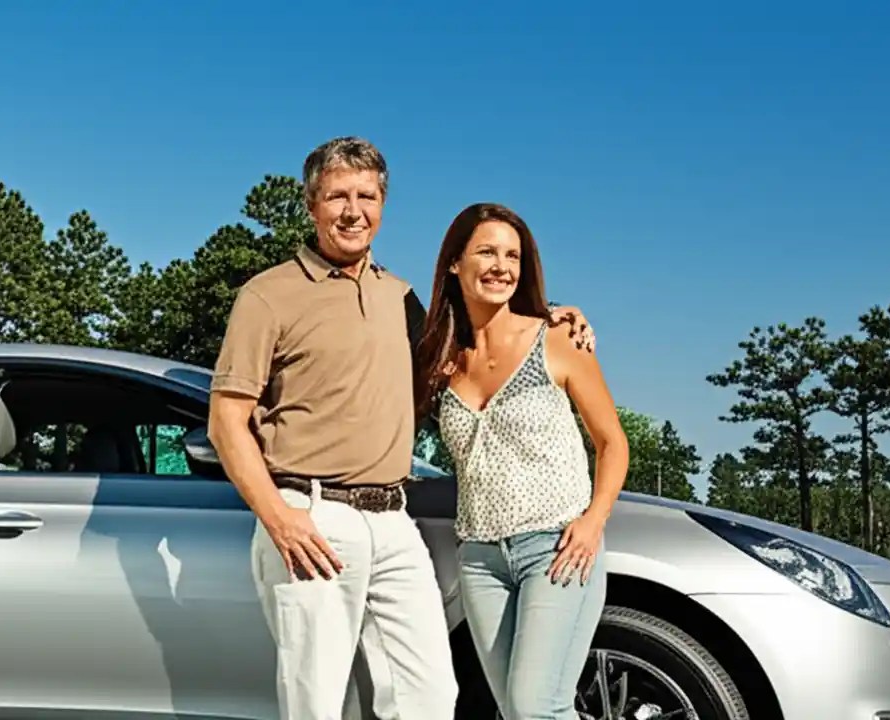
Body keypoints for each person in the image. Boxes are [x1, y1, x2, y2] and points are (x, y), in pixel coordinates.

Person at [208, 137, 595, 719]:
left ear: (383, 207)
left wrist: (555, 316)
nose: (352, 210)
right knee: (317, 701)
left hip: (394, 521)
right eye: (337, 195)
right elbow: (225, 421)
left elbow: (484, 328)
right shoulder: (268, 295)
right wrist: (278, 517)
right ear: (312, 204)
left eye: (367, 196)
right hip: (312, 516)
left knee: (430, 698)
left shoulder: (402, 299)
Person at [412, 202, 629, 720]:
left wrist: (593, 520)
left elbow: (612, 443)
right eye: (485, 252)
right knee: (517, 711)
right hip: (481, 559)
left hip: (556, 549)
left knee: (537, 708)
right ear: (454, 264)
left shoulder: (557, 338)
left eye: (513, 256)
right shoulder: (440, 359)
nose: (501, 266)